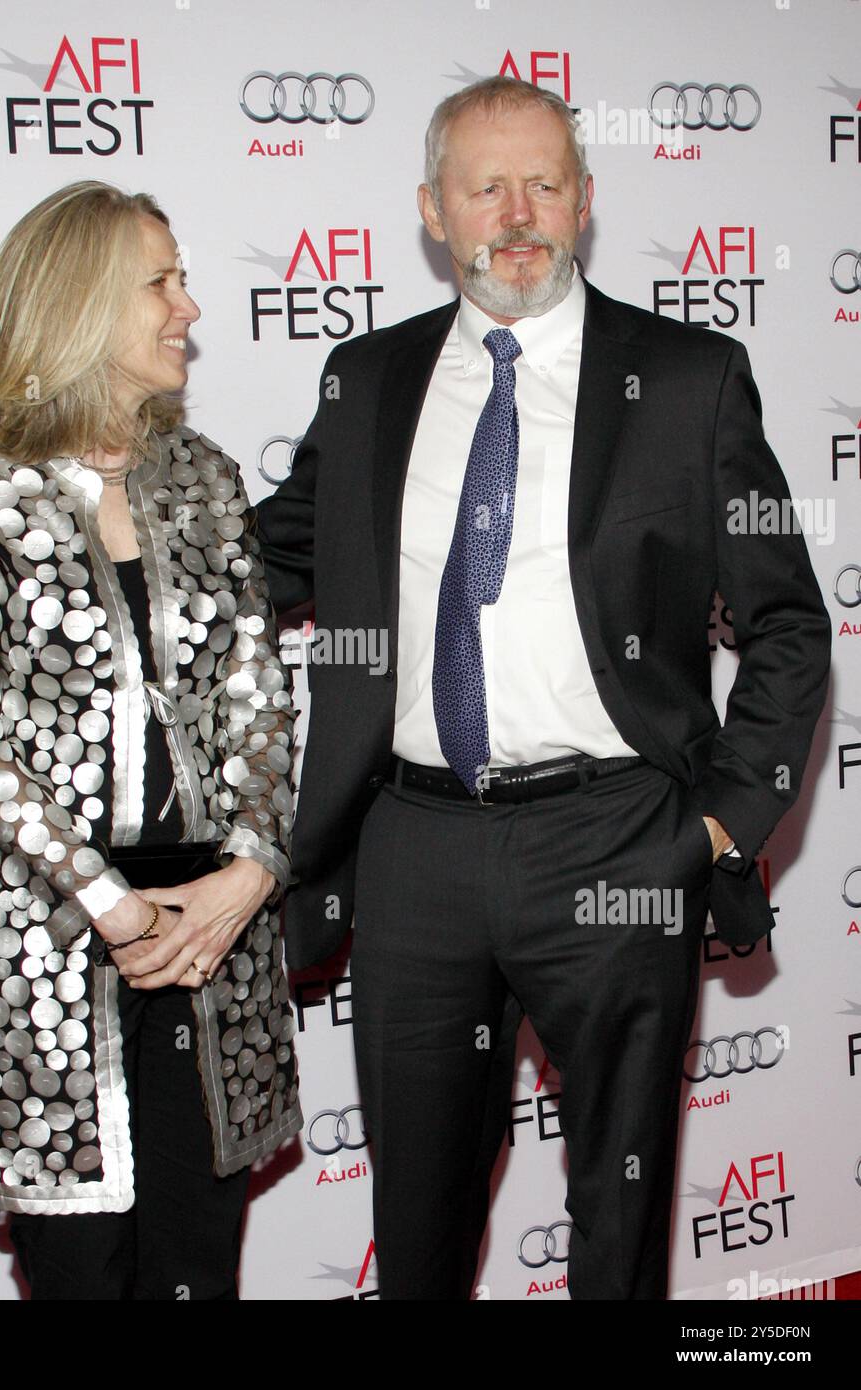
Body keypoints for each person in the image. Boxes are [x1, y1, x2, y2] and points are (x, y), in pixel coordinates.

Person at [255, 77, 831, 1299]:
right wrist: (85, 527)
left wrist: (720, 823)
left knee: (616, 1232)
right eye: (484, 187)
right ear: (431, 209)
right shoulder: (368, 381)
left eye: (544, 184)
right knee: (417, 1227)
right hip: (410, 850)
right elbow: (266, 554)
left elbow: (785, 622)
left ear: (584, 200)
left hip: (619, 838)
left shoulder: (687, 380)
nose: (515, 214)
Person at [0, 179, 302, 1300]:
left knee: (194, 1268)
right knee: (81, 1271)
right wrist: (110, 907)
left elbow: (260, 700)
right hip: (48, 939)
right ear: (77, 305)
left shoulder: (206, 479)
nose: (189, 307)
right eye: (160, 284)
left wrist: (248, 873)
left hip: (214, 942)